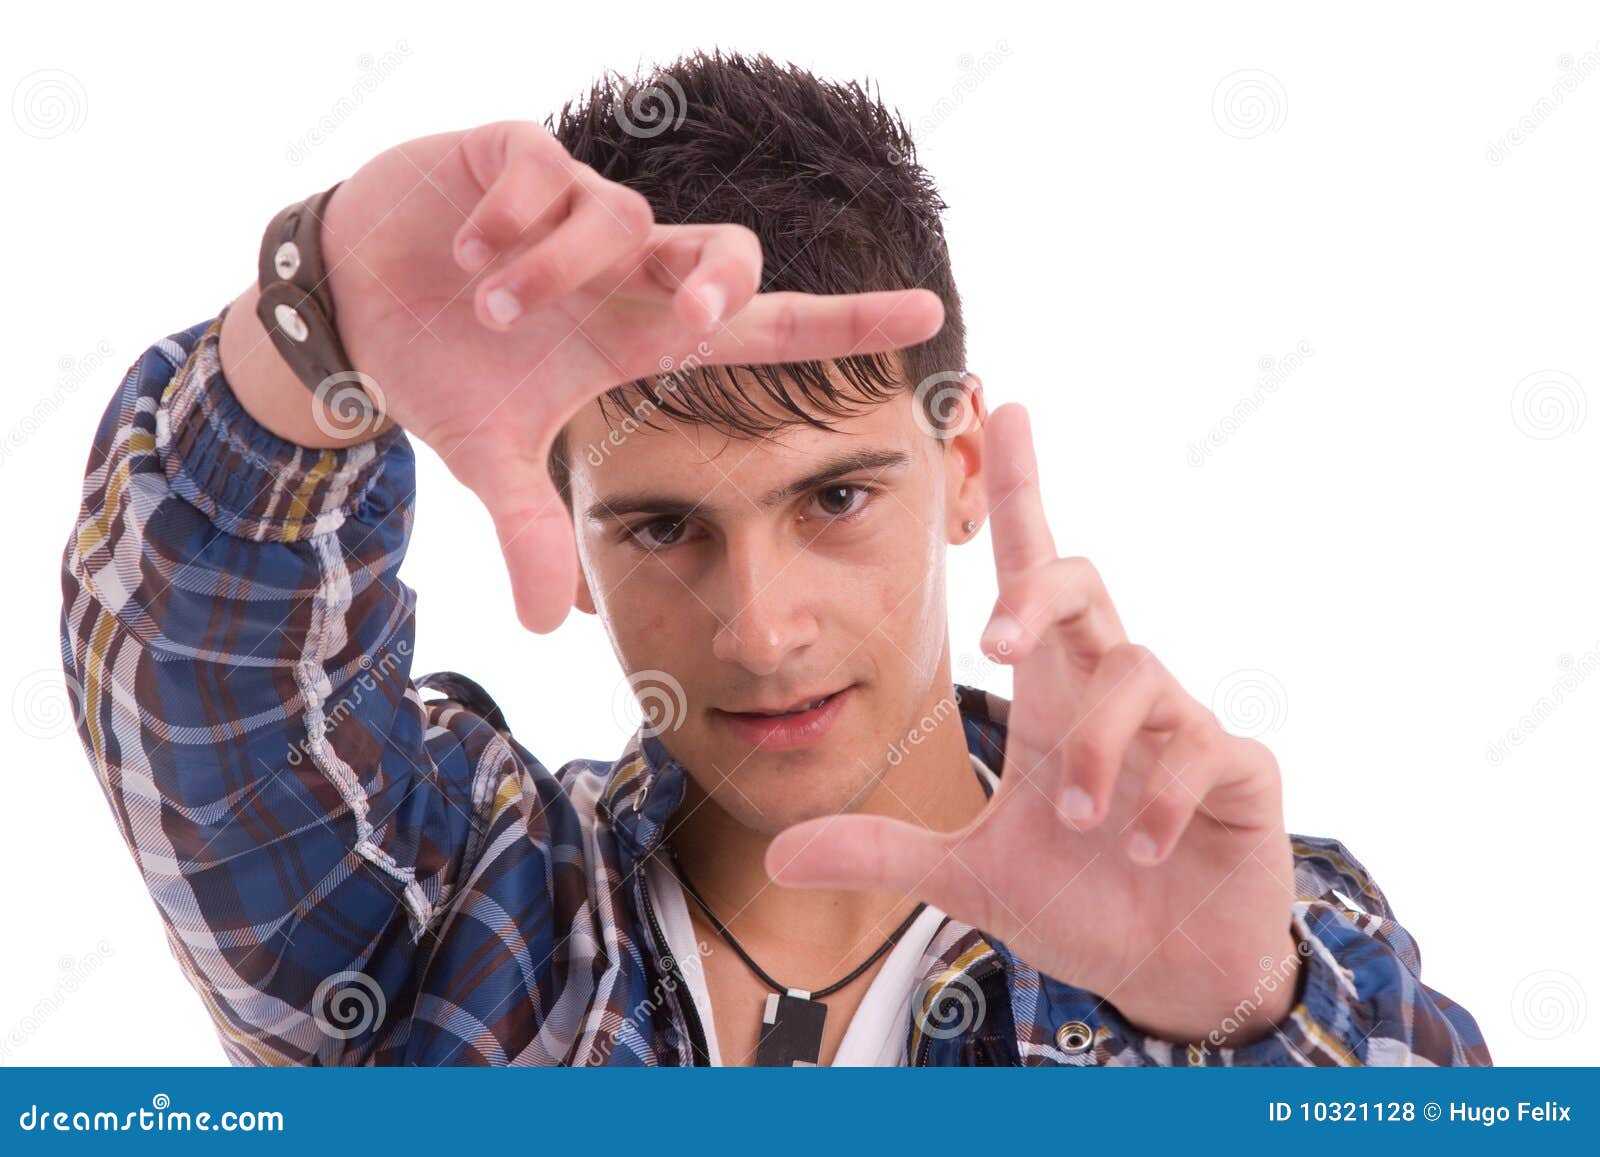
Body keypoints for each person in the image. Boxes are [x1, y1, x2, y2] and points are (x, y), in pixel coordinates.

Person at [60, 49, 1490, 1066]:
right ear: (568, 519)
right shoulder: (453, 915)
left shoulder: (1244, 929)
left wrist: (1242, 1025)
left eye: (835, 499)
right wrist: (320, 321)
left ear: (963, 471)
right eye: (664, 524)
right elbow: (203, 682)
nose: (759, 627)